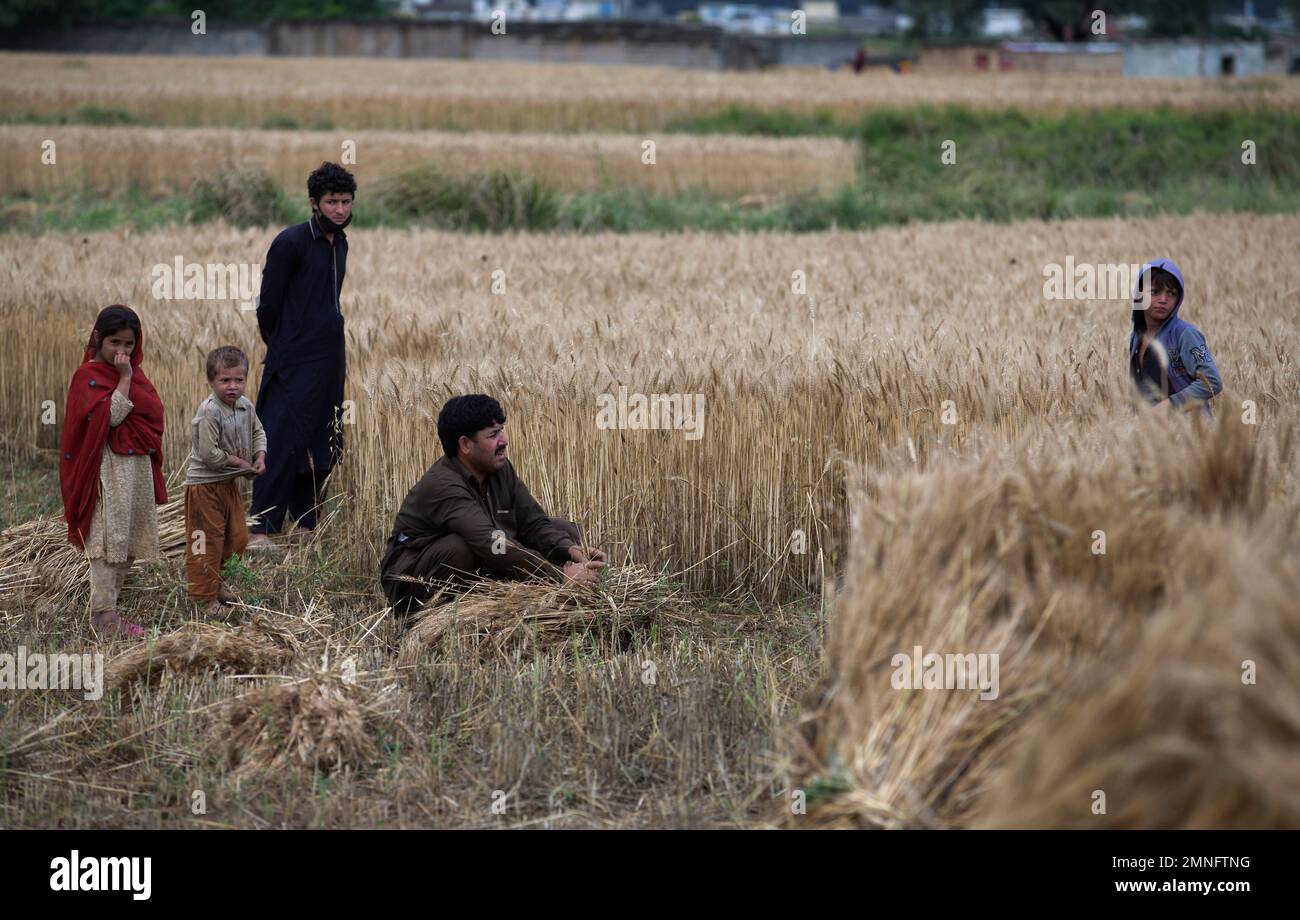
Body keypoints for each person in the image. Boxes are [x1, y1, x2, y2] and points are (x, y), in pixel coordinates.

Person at [379, 394, 606, 619]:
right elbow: (491, 543)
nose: (504, 440)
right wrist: (560, 577)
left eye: (502, 430)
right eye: (493, 434)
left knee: (563, 529)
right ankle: (439, 616)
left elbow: (535, 523)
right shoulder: (443, 484)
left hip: (486, 550)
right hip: (411, 583)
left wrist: (570, 549)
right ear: (465, 444)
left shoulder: (499, 468)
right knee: (462, 548)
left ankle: (515, 595)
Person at [246, 161, 354, 551]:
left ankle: (307, 525)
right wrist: (278, 348)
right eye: (331, 202)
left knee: (323, 439)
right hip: (293, 358)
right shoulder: (290, 243)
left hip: (330, 358)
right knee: (278, 436)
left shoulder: (340, 244)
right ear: (314, 202)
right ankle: (260, 530)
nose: (340, 210)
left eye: (345, 202)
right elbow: (267, 305)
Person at [59, 305, 168, 639]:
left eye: (129, 345)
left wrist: (128, 378)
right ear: (98, 339)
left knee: (129, 534)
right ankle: (103, 615)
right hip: (107, 470)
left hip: (135, 470)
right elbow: (112, 417)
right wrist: (124, 378)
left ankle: (112, 607)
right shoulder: (89, 376)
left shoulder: (138, 376)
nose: (122, 352)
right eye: (114, 343)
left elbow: (153, 415)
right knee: (107, 536)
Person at [183, 346, 267, 619]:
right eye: (225, 380)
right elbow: (209, 455)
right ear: (211, 381)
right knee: (206, 541)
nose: (232, 387)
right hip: (205, 486)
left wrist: (260, 456)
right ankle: (204, 597)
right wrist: (242, 465)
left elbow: (258, 432)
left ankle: (216, 584)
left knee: (238, 537)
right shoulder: (209, 411)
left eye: (239, 380)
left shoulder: (245, 406)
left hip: (228, 484)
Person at [1129, 259, 1222, 414]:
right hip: (1153, 434)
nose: (1164, 300)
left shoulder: (1185, 334)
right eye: (1155, 292)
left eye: (1171, 294)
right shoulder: (1136, 337)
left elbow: (1213, 381)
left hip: (1191, 432)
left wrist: (1169, 405)